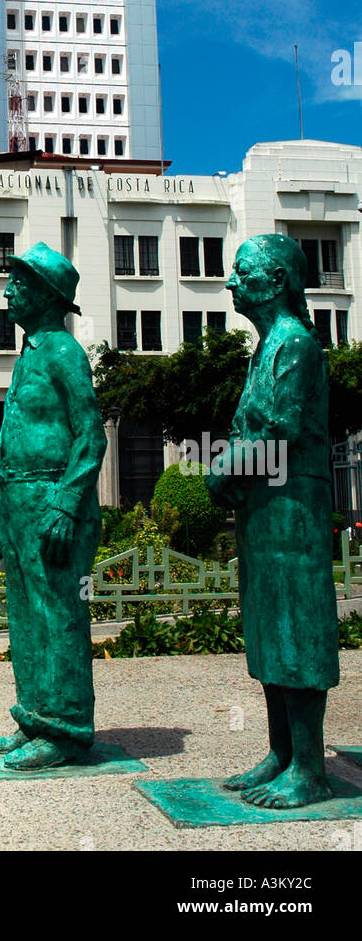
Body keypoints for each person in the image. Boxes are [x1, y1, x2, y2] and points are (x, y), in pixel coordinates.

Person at [205, 234, 340, 808]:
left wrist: (220, 469)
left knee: (295, 632)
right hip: (264, 510)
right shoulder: (267, 346)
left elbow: (278, 431)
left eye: (242, 271)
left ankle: (309, 769)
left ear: (277, 280)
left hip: (291, 511)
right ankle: (282, 753)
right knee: (268, 631)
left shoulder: (293, 343)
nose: (231, 282)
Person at [0, 241, 107, 771]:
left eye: (18, 284)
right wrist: (3, 517)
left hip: (54, 500)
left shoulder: (62, 351)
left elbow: (91, 435)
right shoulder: (31, 352)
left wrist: (65, 502)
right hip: (20, 502)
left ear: (45, 295)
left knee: (58, 613)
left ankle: (67, 729)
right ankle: (35, 717)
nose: (9, 292)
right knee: (25, 616)